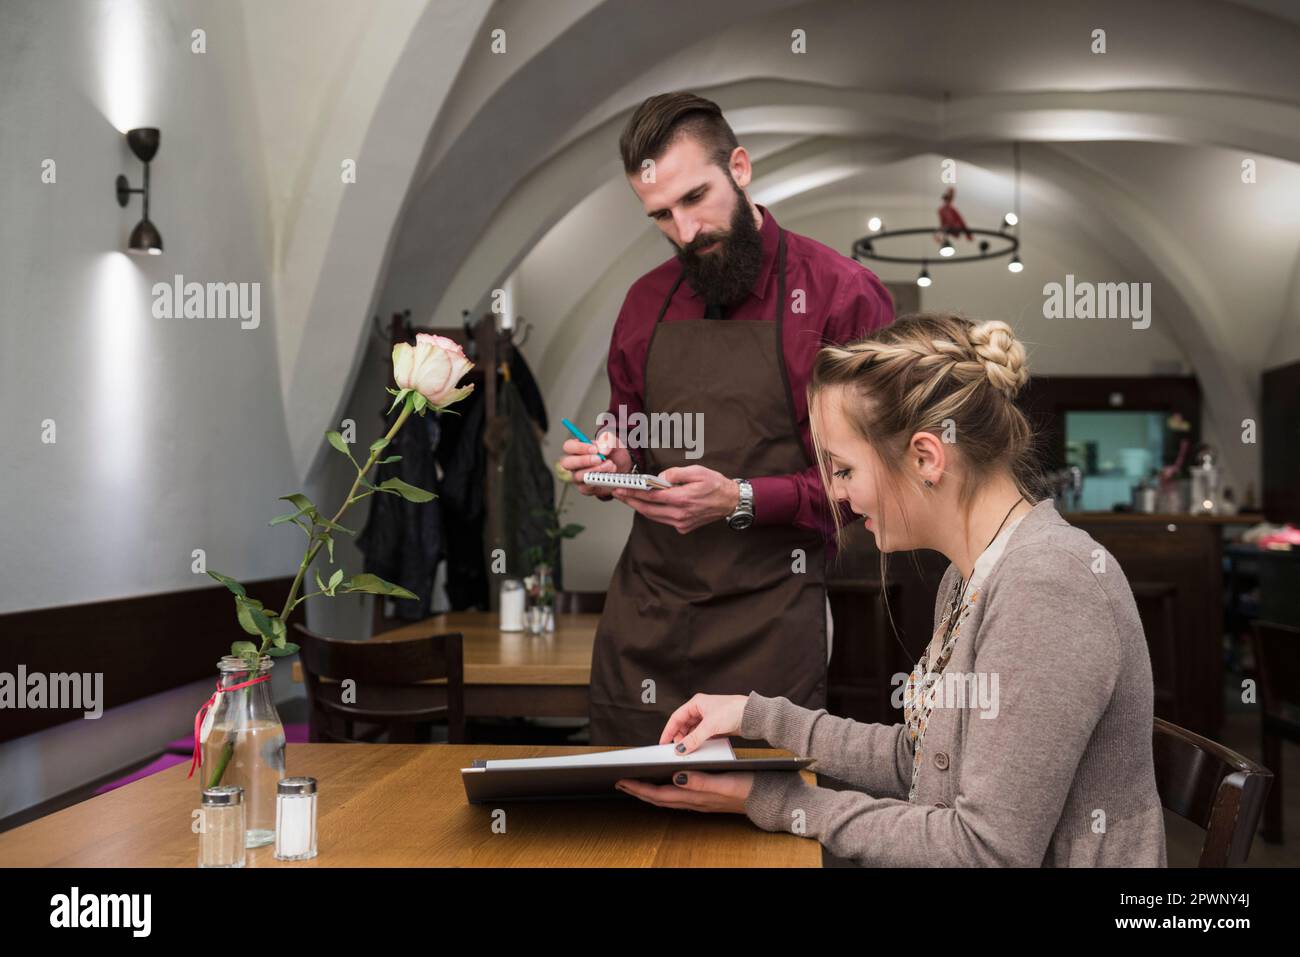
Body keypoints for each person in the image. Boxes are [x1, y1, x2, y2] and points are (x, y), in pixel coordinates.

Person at [614, 314, 1168, 867]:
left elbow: (985, 851)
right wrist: (753, 716)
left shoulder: (1047, 585)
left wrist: (775, 801)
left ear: (926, 457)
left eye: (844, 468)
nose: (834, 492)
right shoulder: (973, 572)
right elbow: (923, 763)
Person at [561, 92, 894, 746]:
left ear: (739, 167)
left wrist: (739, 498)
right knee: (623, 829)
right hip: (646, 623)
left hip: (773, 623)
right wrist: (612, 463)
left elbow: (872, 481)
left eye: (695, 198)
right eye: (660, 214)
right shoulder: (644, 302)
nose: (686, 232)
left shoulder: (842, 296)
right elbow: (626, 435)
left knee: (760, 829)